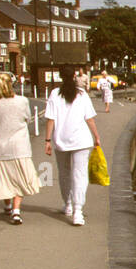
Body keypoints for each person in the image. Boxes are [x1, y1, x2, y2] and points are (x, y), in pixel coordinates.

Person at [45, 65, 101, 226]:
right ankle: (78, 212)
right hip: (81, 140)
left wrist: (47, 140)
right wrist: (96, 137)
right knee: (80, 175)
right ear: (75, 76)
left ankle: (68, 205)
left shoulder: (55, 94)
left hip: (61, 140)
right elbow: (89, 118)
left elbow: (50, 119)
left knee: (64, 174)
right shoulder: (82, 94)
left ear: (60, 77)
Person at [0, 73, 41, 224]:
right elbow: (27, 118)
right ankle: (16, 212)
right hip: (19, 146)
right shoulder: (22, 101)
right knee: (20, 179)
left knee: (4, 179)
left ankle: (8, 206)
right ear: (12, 84)